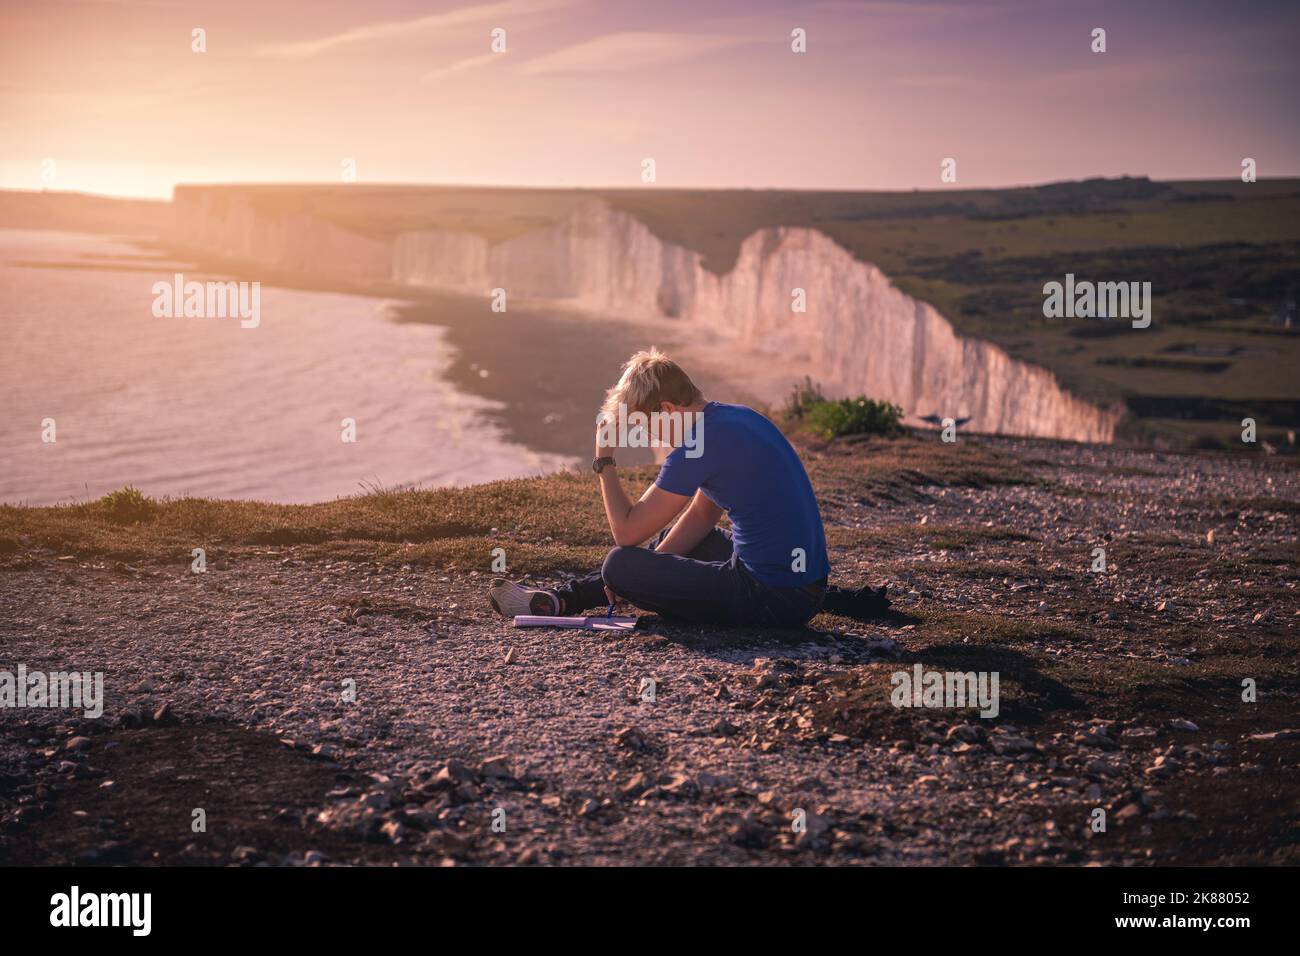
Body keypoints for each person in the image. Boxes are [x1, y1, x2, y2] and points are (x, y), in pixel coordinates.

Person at [488, 348, 830, 627]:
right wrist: (650, 575)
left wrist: (603, 460)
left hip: (772, 599)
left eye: (647, 427)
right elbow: (701, 515)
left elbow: (625, 532)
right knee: (668, 544)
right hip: (806, 587)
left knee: (619, 563)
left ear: (667, 409)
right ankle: (564, 598)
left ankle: (570, 596)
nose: (651, 437)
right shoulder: (734, 418)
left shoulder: (696, 446)